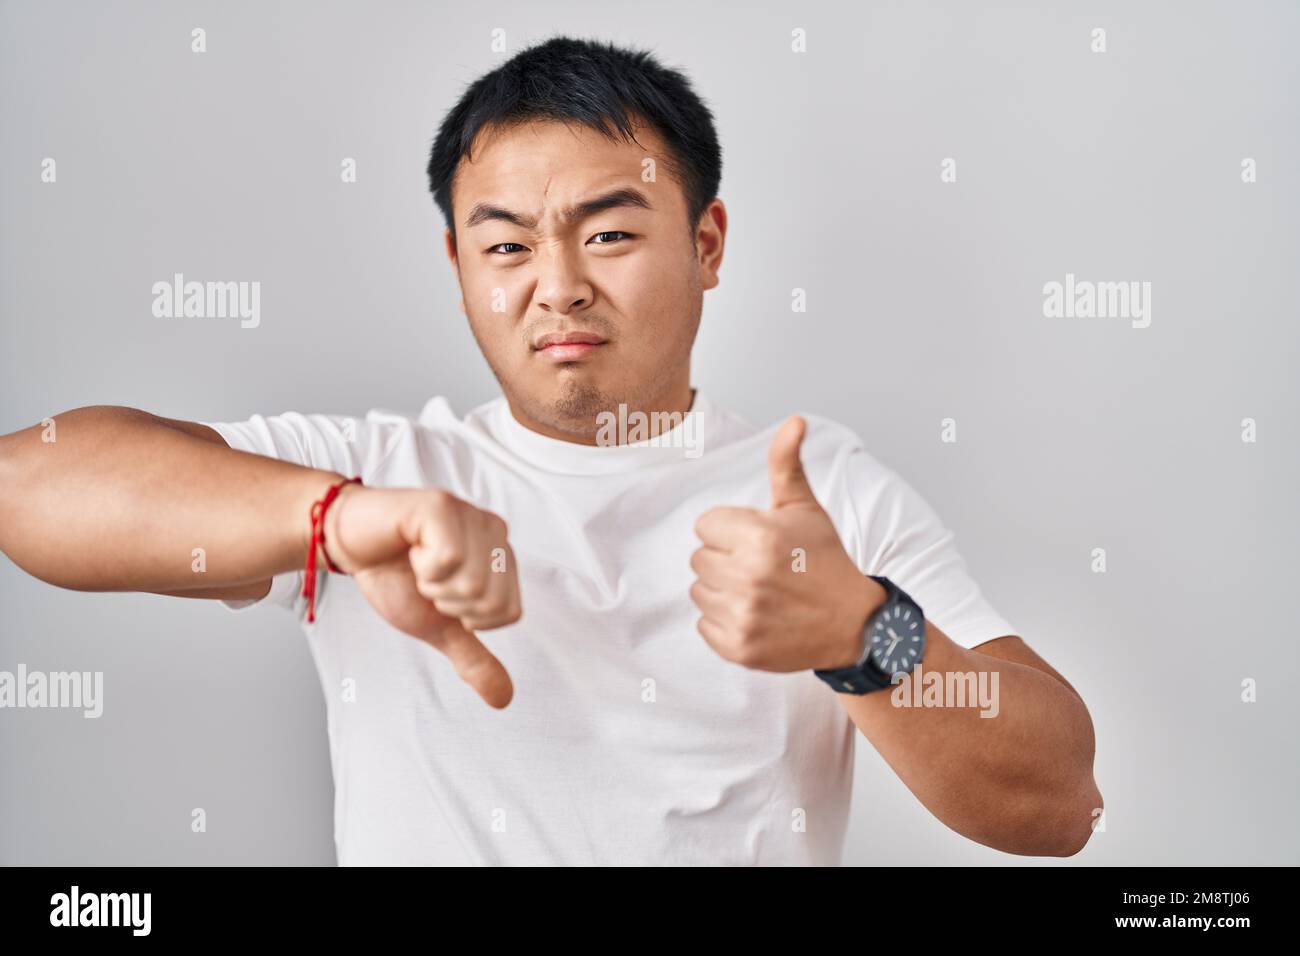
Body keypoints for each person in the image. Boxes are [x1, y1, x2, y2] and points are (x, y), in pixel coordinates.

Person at [0, 36, 1101, 865]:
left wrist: (863, 632)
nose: (558, 283)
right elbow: (27, 484)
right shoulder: (371, 464)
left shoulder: (817, 493)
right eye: (507, 244)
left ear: (705, 243)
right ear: (458, 262)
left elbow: (1059, 800)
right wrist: (340, 519)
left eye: (610, 232)